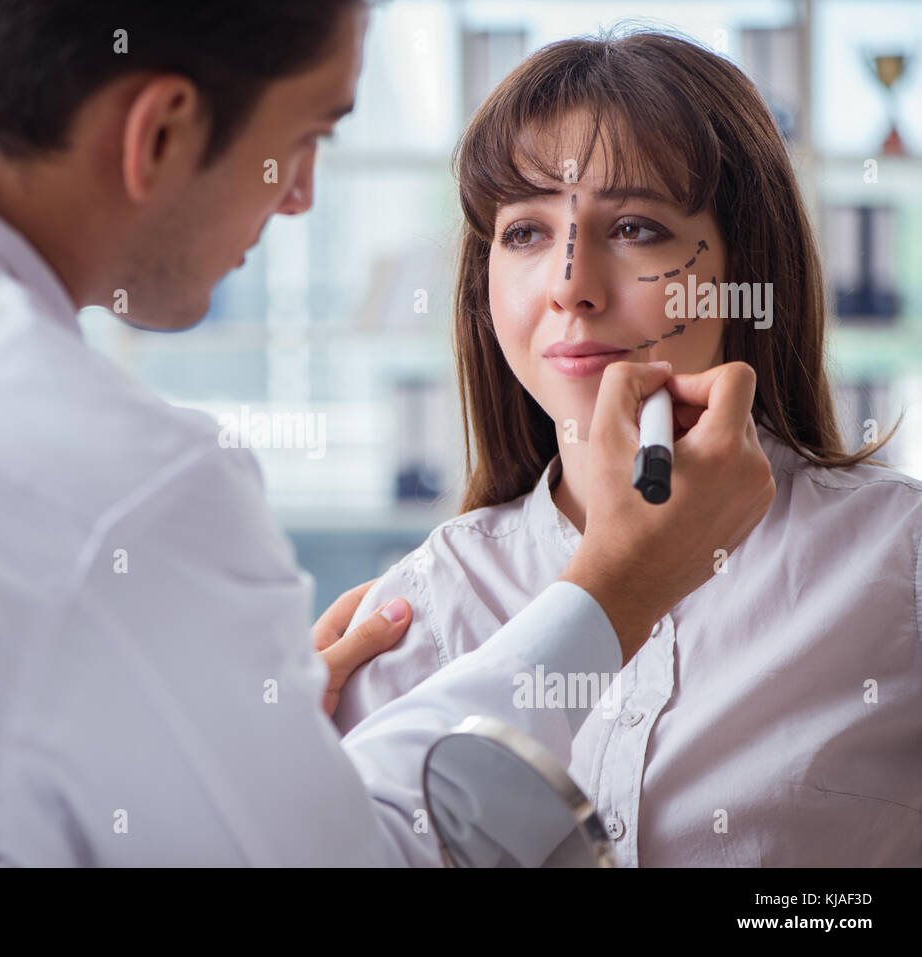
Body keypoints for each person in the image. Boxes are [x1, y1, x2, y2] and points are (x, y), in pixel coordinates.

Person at [0, 2, 771, 866]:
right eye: (306, 137)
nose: (300, 200)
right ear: (161, 130)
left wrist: (243, 746)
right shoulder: (125, 488)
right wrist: (612, 596)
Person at [332, 30, 922, 867]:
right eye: (526, 232)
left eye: (637, 227)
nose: (570, 283)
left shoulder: (897, 561)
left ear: (743, 268)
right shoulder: (417, 608)